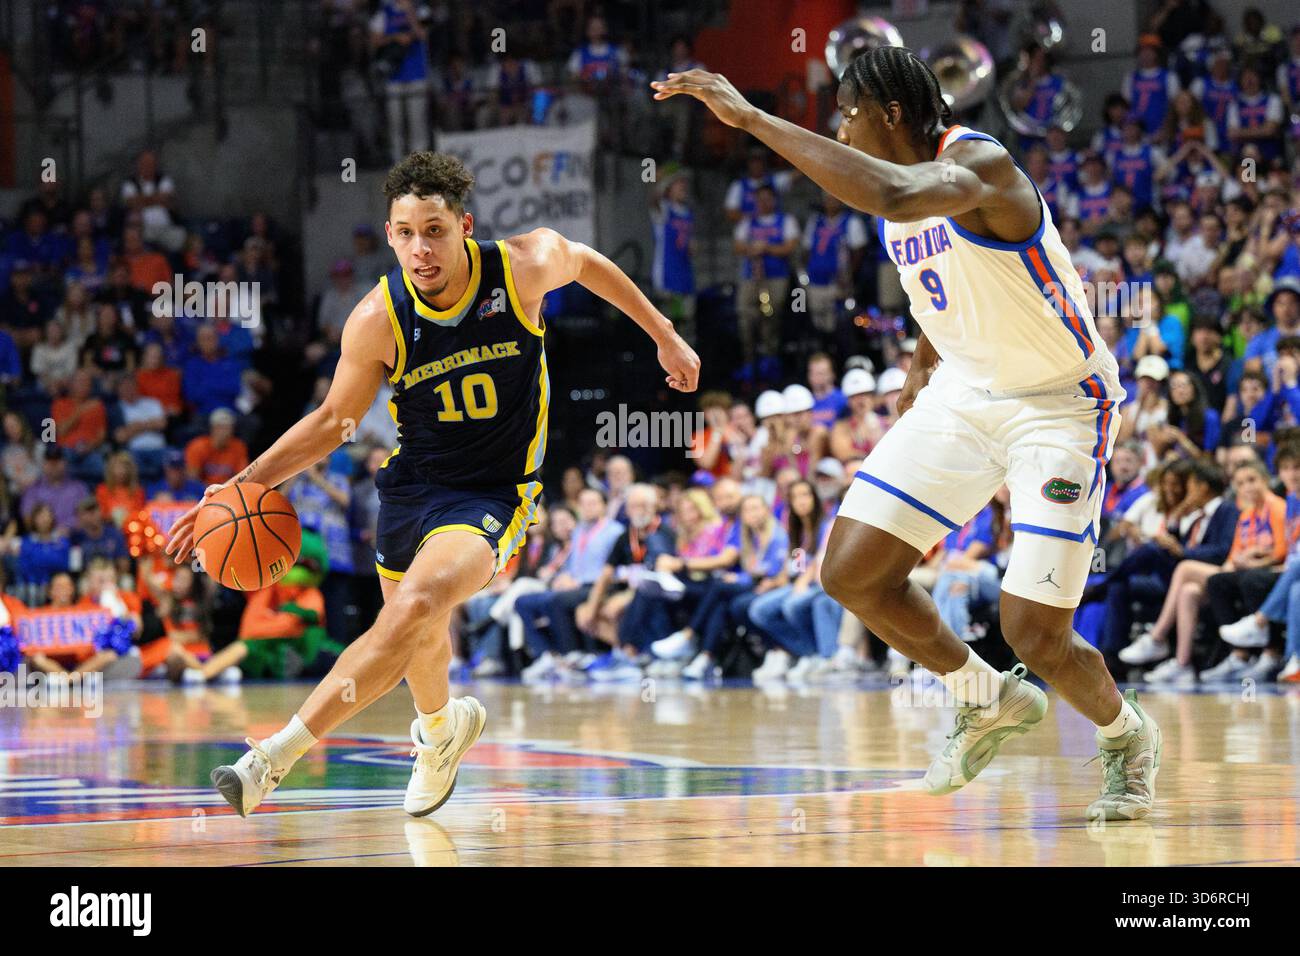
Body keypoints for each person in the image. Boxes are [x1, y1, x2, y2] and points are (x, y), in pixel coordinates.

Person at [652, 47, 1159, 820]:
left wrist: (751, 118)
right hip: (963, 394)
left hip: (1060, 403)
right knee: (851, 571)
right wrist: (923, 367)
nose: (841, 129)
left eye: (848, 113)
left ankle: (1126, 738)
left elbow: (896, 194)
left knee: (1033, 632)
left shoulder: (980, 165)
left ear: (891, 113)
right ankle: (981, 697)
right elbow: (948, 284)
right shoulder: (898, 205)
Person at [165, 151, 698, 818]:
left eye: (436, 230)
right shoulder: (377, 317)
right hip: (413, 487)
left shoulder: (522, 265)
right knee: (419, 639)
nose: (421, 248)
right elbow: (335, 421)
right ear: (389, 234)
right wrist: (237, 486)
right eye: (406, 232)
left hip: (495, 492)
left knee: (413, 609)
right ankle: (442, 733)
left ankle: (275, 757)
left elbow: (587, 263)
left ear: (464, 226)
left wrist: (665, 335)